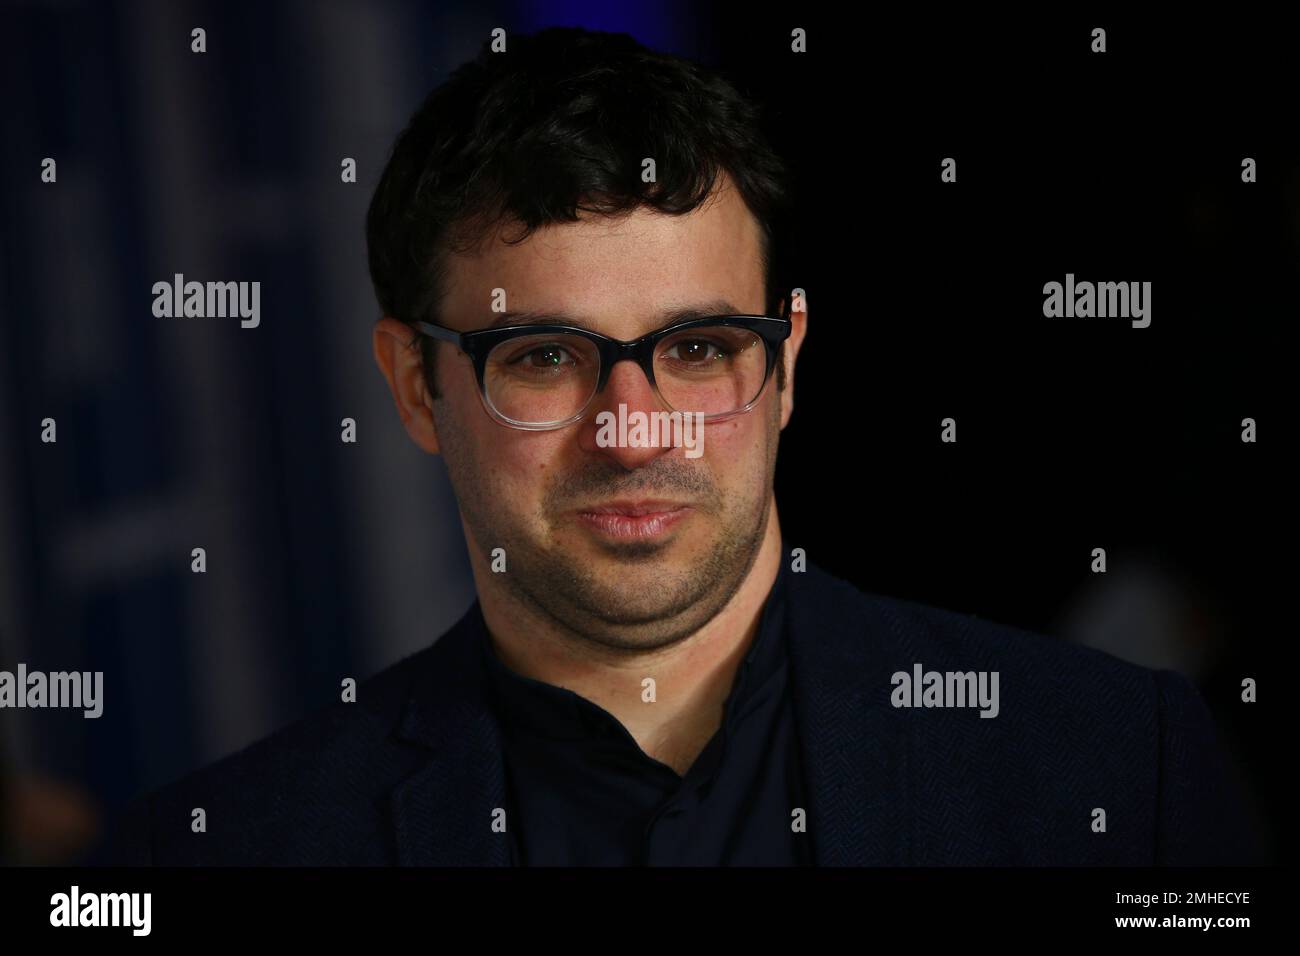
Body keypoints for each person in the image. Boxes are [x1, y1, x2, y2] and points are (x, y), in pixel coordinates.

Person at [108, 26, 1258, 866]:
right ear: (417, 385)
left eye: (700, 347)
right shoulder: (215, 852)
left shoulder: (1112, 764)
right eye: (546, 357)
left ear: (787, 363)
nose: (633, 430)